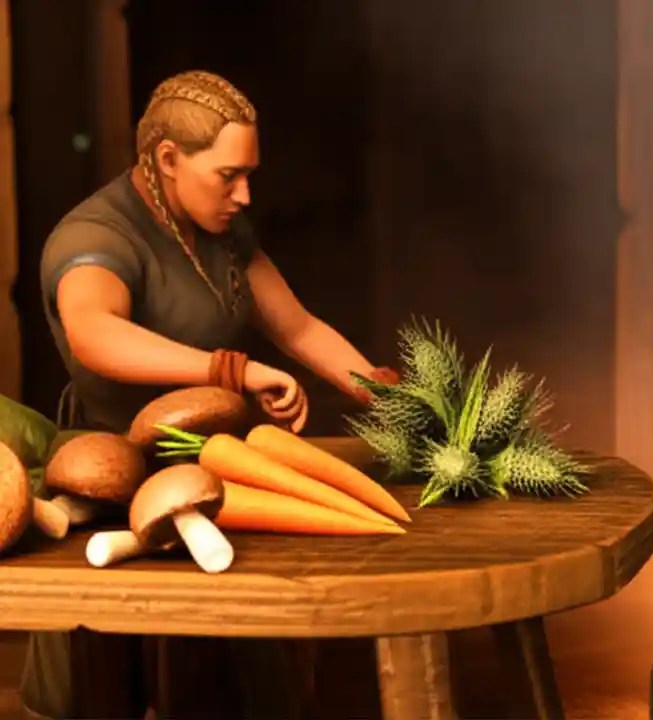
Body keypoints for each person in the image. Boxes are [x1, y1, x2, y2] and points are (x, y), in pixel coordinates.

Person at [22, 70, 398, 718]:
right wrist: (230, 371)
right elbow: (94, 333)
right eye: (228, 176)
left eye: (248, 174)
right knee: (94, 681)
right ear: (168, 158)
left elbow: (297, 328)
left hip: (220, 472)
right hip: (108, 480)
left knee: (244, 677)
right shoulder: (96, 237)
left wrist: (381, 392)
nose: (243, 194)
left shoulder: (220, 232)